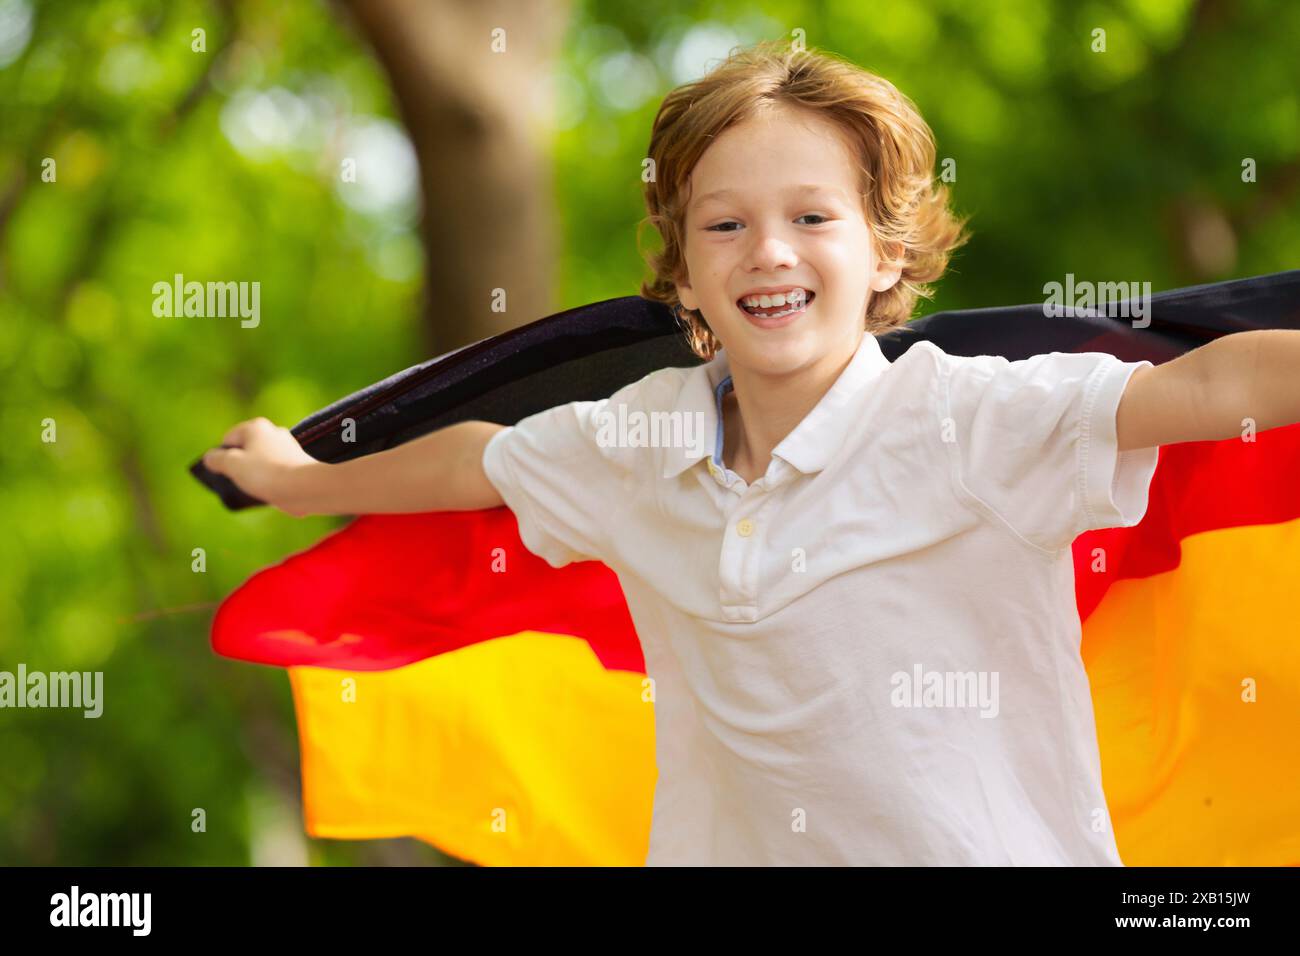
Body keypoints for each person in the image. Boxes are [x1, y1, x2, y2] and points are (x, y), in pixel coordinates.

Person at [202, 41, 1300, 865]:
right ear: (680, 272)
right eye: (723, 225)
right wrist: (305, 484)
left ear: (883, 254)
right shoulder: (635, 443)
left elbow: (1202, 388)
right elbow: (478, 459)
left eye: (812, 217)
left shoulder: (964, 417)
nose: (767, 250)